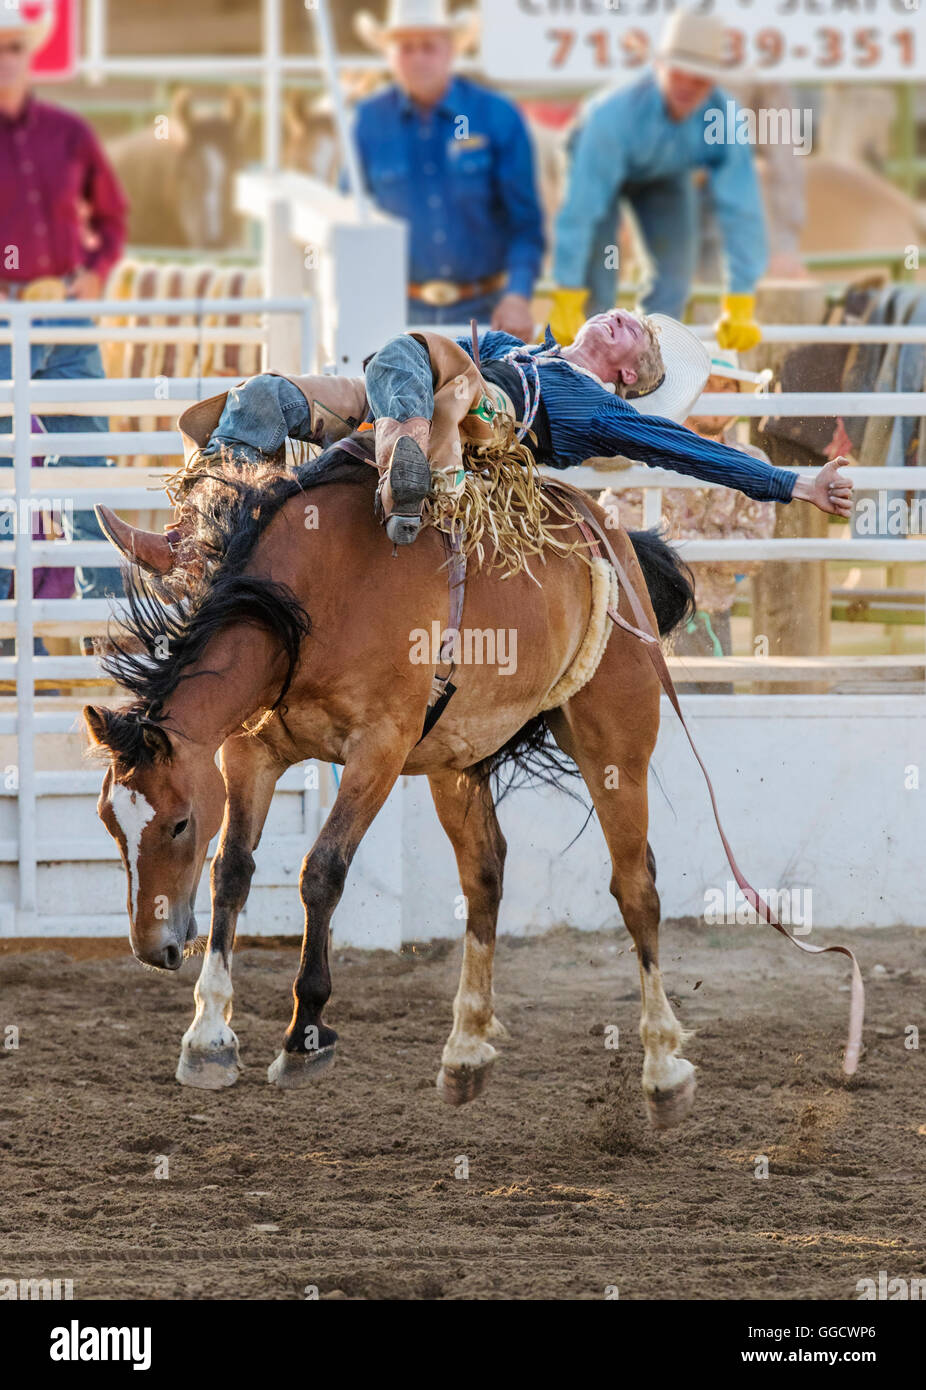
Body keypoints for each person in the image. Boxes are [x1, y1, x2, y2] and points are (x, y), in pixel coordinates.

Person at [97, 308, 852, 571]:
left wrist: (796, 483)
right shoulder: (525, 348)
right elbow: (472, 340)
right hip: (422, 394)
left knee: (406, 349)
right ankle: (198, 537)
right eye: (630, 318)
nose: (630, 323)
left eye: (642, 344)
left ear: (628, 380)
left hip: (479, 416)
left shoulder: (602, 413)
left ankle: (404, 469)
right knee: (261, 395)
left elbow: (694, 451)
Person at [0, 0, 128, 615]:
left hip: (66, 319)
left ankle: (99, 622)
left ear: (30, 55)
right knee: (2, 473)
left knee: (88, 459)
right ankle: (7, 630)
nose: (6, 59)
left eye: (14, 47)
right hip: (2, 322)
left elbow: (112, 214)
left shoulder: (68, 133)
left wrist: (96, 274)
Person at [549, 9, 767, 351]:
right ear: (659, 66)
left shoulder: (725, 117)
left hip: (665, 174)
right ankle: (592, 375)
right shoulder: (612, 116)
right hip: (596, 167)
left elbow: (743, 210)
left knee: (676, 278)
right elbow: (581, 211)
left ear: (713, 83)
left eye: (700, 78)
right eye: (680, 72)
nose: (688, 86)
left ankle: (654, 369)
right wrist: (567, 291)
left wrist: (741, 300)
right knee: (599, 280)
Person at [350, 0, 543, 339]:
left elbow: (525, 224)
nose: (418, 58)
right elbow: (350, 220)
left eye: (429, 47)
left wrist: (517, 296)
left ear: (450, 50)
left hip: (485, 313)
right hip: (391, 315)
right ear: (390, 55)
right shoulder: (366, 122)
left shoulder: (497, 116)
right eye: (406, 47)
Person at [601, 348, 778, 693]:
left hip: (712, 617)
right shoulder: (648, 447)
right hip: (650, 615)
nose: (718, 395)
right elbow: (617, 521)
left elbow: (755, 549)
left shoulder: (752, 459)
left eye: (728, 387)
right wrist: (715, 545)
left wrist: (668, 542)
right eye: (709, 384)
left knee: (715, 718)